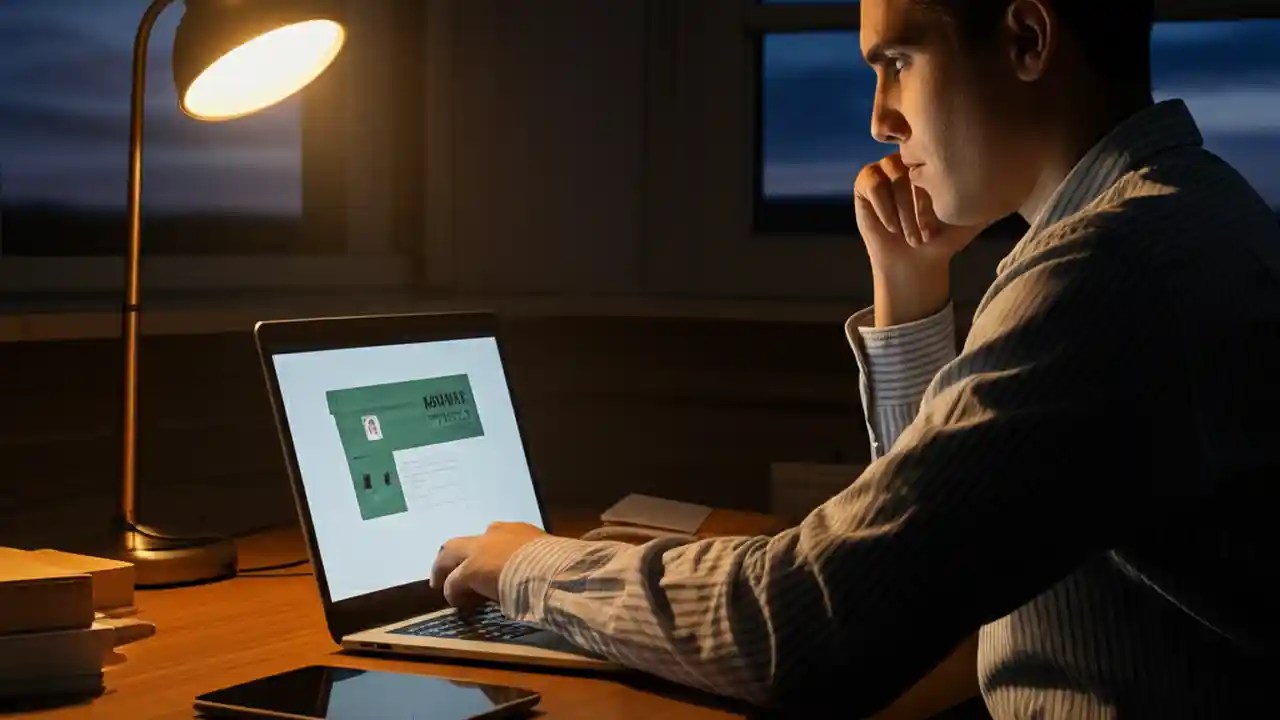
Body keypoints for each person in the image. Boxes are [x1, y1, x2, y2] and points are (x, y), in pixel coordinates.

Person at [431, 0, 1280, 715]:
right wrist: (908, 290)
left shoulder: (1113, 270)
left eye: (899, 61)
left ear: (1026, 41)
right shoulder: (1183, 216)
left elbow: (804, 626)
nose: (880, 119)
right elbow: (931, 571)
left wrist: (531, 564)